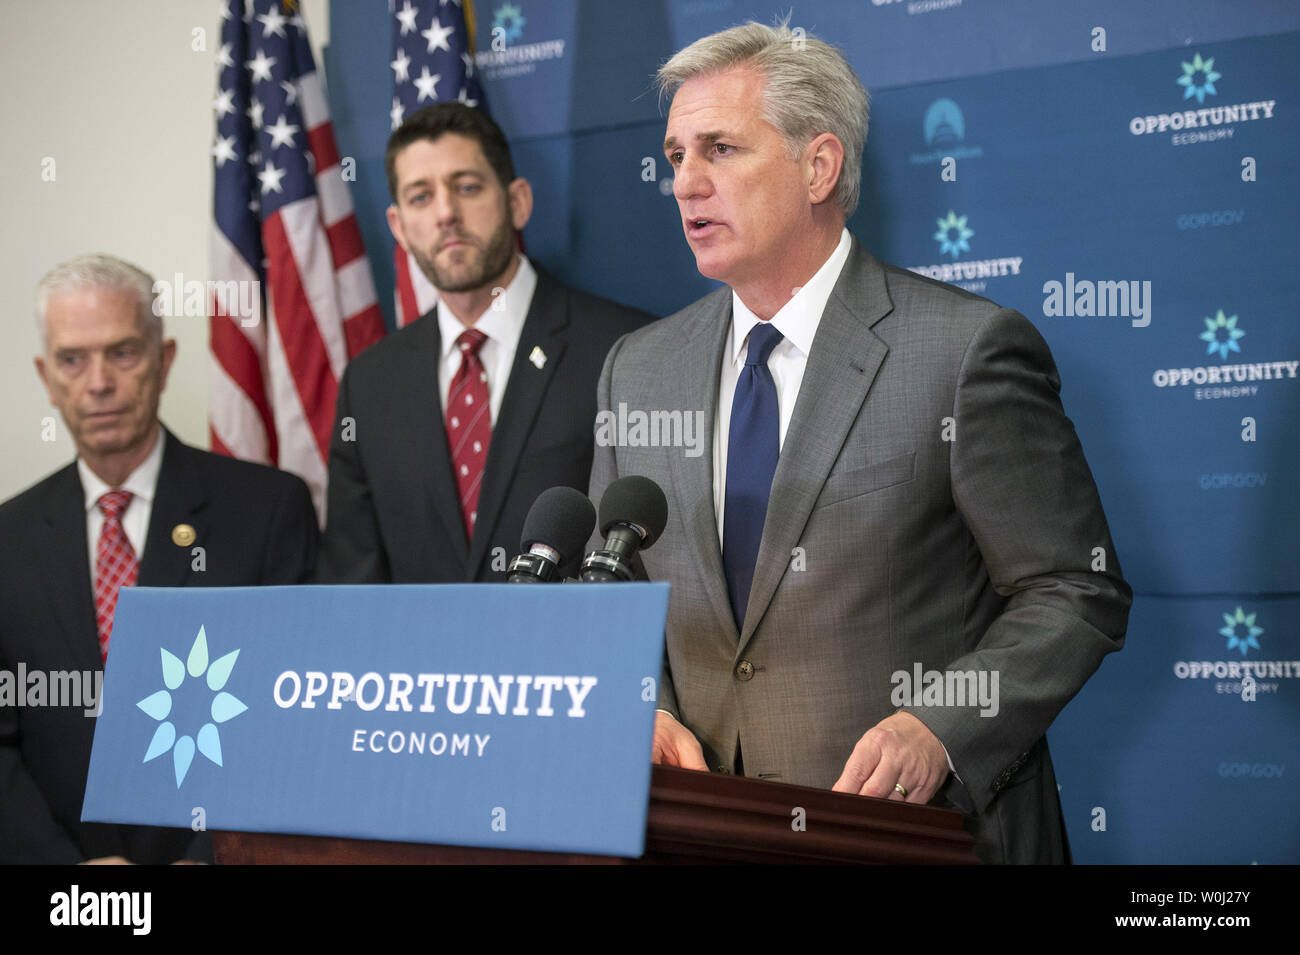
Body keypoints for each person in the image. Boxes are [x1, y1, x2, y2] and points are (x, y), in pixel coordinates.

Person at [588, 22, 1132, 864]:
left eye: (720, 149)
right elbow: (609, 596)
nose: (686, 183)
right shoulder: (637, 371)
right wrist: (643, 706)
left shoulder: (964, 352)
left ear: (820, 166)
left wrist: (940, 727)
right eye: (675, 156)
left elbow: (1074, 590)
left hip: (916, 837)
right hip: (697, 835)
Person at [0, 254, 318, 864]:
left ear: (164, 360)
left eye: (121, 353)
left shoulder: (267, 511)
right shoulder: (9, 539)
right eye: (72, 360)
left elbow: (291, 718)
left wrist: (206, 858)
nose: (97, 383)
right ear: (46, 377)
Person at [320, 103, 652, 583]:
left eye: (467, 187)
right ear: (397, 227)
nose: (446, 214)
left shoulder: (625, 351)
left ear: (517, 202)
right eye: (420, 197)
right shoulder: (370, 382)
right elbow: (353, 583)